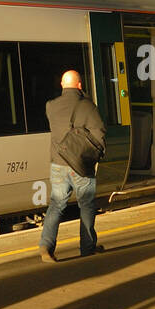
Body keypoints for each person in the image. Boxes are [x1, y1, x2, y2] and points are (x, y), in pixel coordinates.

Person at [39, 70, 107, 261]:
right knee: (86, 206)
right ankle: (87, 248)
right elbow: (100, 133)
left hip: (58, 164)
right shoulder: (88, 107)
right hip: (81, 166)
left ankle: (46, 247)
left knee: (56, 205)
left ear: (62, 84)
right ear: (80, 85)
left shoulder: (51, 106)